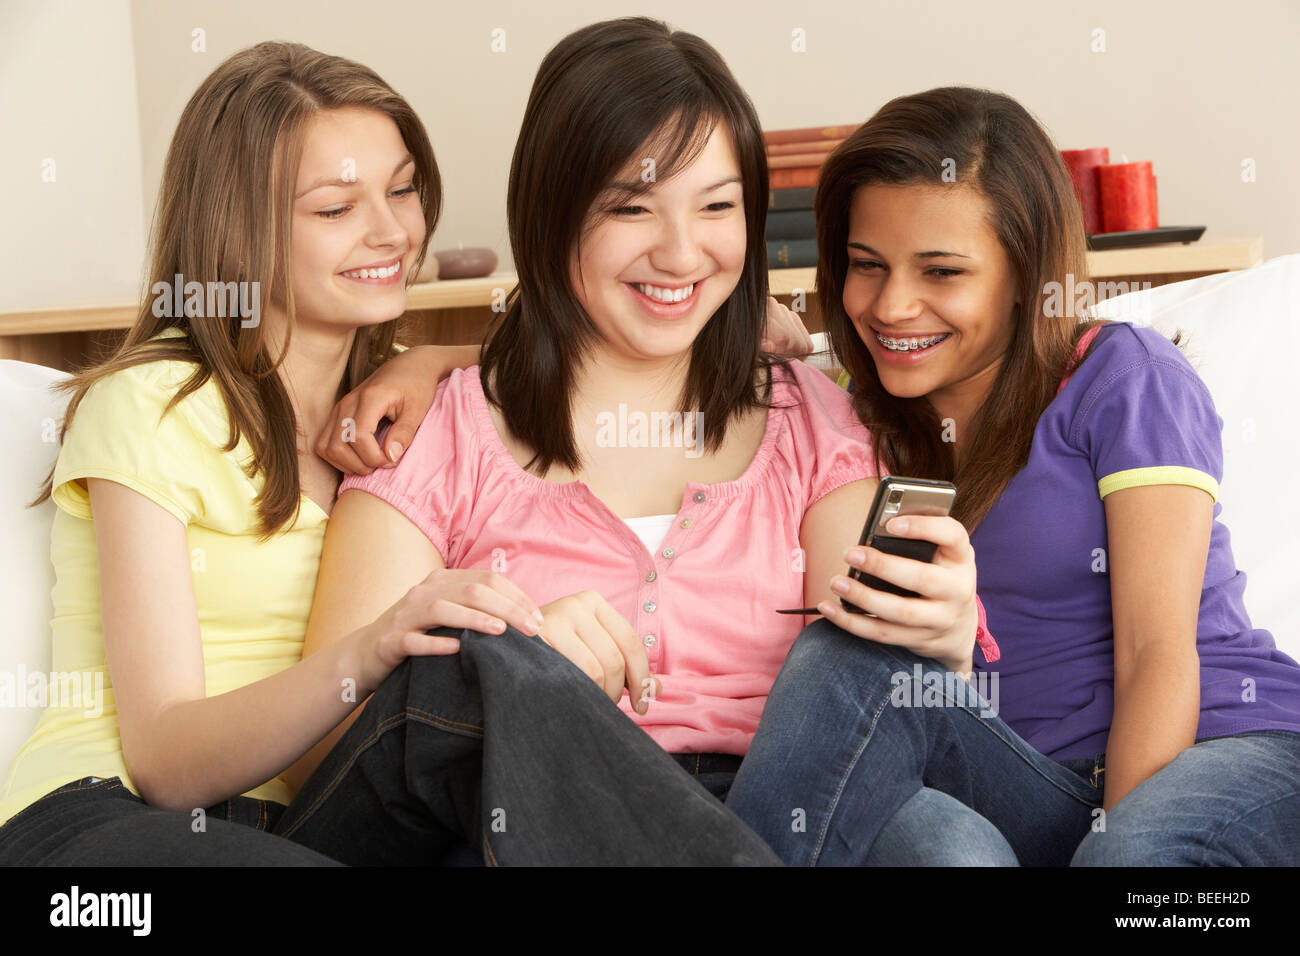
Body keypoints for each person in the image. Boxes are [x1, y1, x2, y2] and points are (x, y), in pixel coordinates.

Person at [283, 18, 993, 865]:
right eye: (631, 207)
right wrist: (511, 682)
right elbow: (321, 756)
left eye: (719, 206)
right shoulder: (440, 433)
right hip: (546, 808)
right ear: (552, 216)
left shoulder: (814, 422)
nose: (682, 253)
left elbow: (869, 686)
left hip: (796, 806)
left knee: (949, 842)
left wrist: (942, 644)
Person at [721, 86, 1300, 866]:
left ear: (1026, 271)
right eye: (867, 266)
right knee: (849, 665)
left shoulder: (1124, 379)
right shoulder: (859, 423)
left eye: (942, 271)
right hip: (1038, 787)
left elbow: (1156, 656)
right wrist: (729, 325)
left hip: (1225, 754)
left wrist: (1119, 851)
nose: (894, 305)